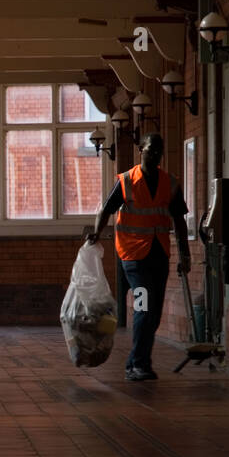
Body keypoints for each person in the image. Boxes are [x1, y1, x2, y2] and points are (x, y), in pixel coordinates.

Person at [85, 132, 190, 381]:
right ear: (141, 149)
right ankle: (138, 364)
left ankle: (136, 361)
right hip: (133, 257)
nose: (155, 154)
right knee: (143, 308)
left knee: (153, 311)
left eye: (159, 151)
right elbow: (106, 209)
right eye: (151, 149)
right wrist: (96, 234)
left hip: (159, 255)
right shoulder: (127, 181)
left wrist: (184, 254)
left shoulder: (170, 182)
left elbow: (179, 221)